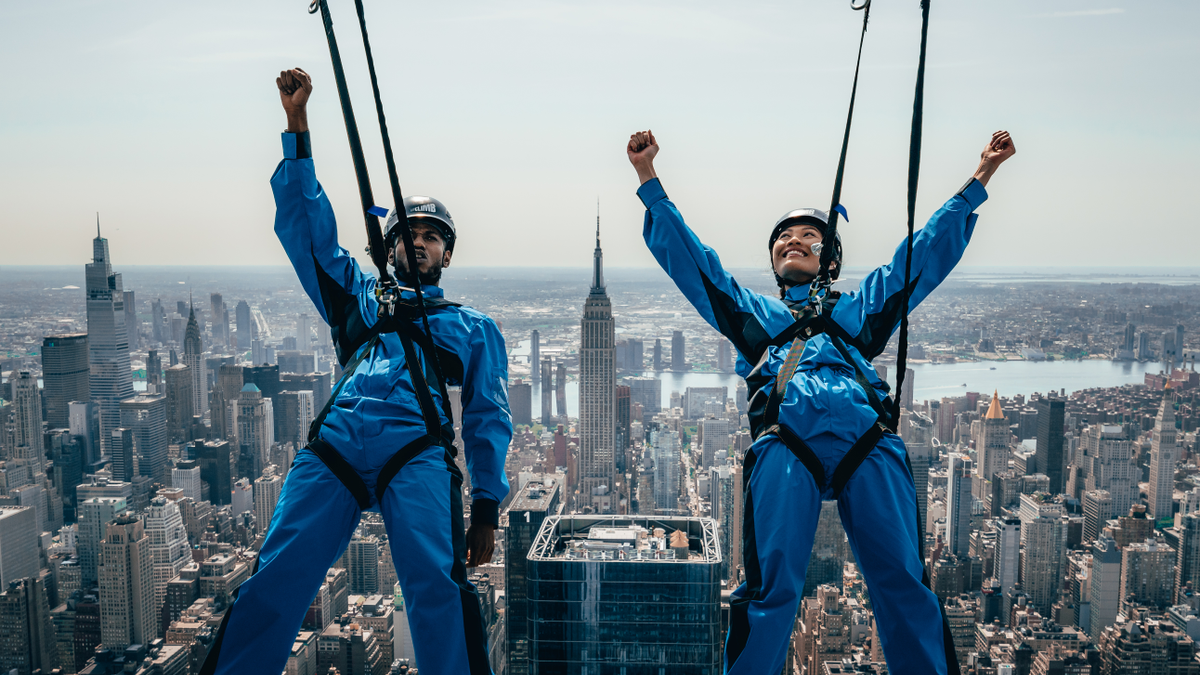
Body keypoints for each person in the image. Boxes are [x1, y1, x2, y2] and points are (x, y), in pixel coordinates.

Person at [627, 128, 1015, 674]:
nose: (792, 242)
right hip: (788, 445)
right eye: (783, 239)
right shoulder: (759, 319)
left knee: (905, 586)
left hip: (868, 443)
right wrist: (648, 179)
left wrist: (981, 176)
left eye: (807, 236)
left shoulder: (857, 314)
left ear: (828, 258)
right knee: (768, 595)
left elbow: (921, 257)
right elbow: (698, 268)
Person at [200, 68, 511, 675]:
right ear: (389, 247)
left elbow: (487, 416)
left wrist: (486, 509)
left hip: (417, 452)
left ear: (448, 254)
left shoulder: (470, 328)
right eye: (408, 235)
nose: (418, 243)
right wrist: (297, 125)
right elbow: (309, 233)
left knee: (438, 591)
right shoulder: (357, 299)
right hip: (333, 448)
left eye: (431, 237)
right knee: (275, 579)